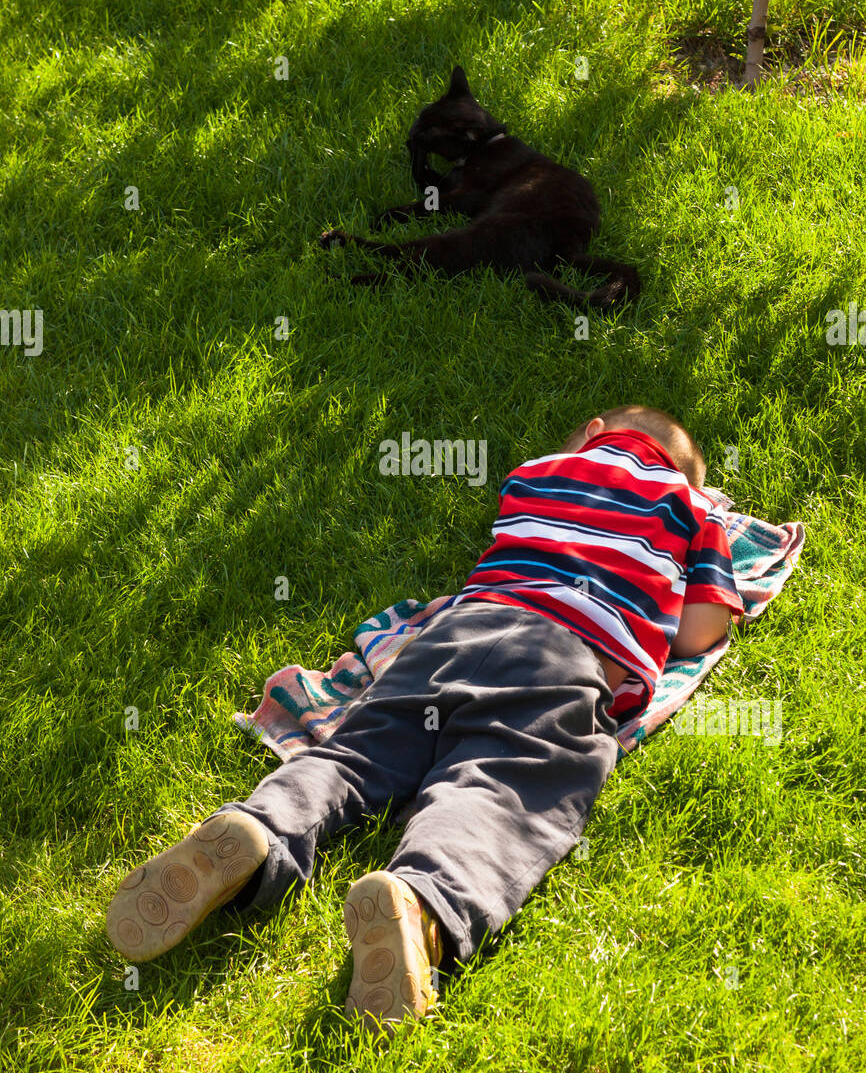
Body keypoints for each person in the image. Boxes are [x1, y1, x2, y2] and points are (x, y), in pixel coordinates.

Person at [107, 404, 743, 1036]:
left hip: (457, 633)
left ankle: (260, 828)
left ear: (594, 436)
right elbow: (700, 631)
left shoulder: (541, 472)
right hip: (564, 661)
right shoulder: (691, 508)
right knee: (499, 786)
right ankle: (424, 900)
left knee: (358, 753)